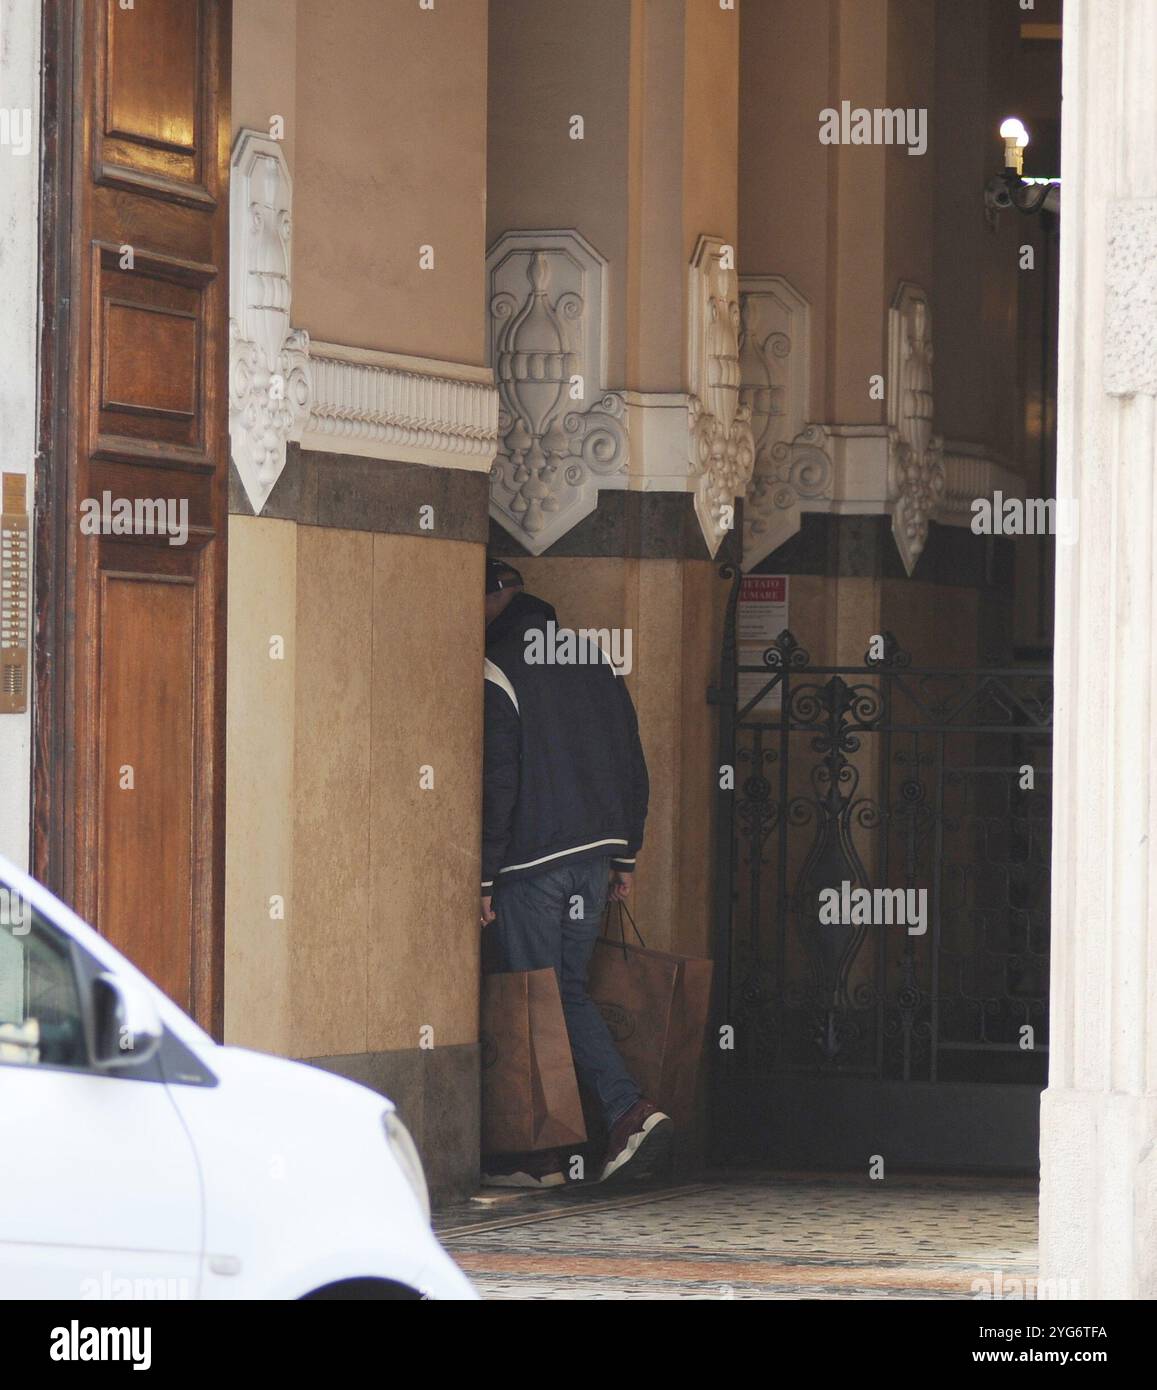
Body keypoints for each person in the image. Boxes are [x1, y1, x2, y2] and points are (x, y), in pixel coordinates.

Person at [480, 558, 671, 1188]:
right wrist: (625, 856)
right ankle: (603, 1125)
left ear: (493, 603)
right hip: (593, 866)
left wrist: (484, 877)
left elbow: (498, 780)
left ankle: (557, 1148)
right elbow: (632, 763)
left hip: (531, 866)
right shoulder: (594, 662)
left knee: (531, 998)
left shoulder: (499, 666)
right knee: (563, 990)